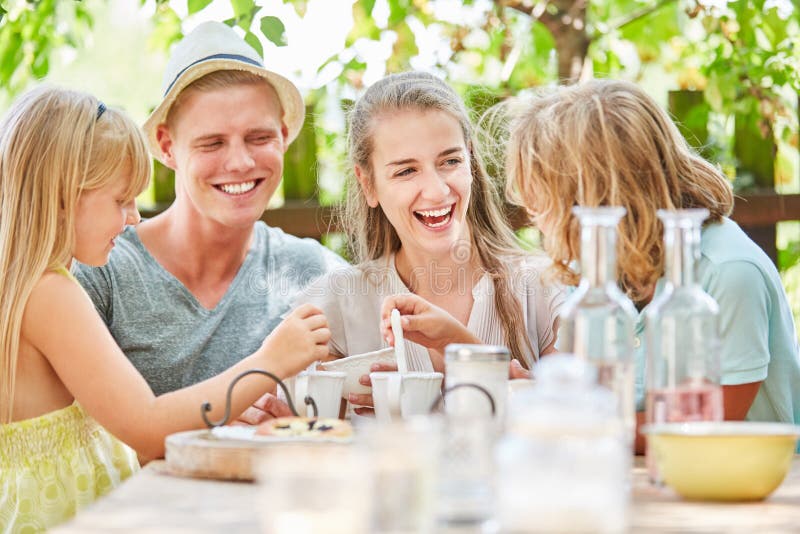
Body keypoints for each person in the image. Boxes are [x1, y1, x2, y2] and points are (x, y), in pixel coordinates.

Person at [0, 86, 330, 532]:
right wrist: (268, 363)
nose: (134, 217)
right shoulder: (50, 294)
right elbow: (149, 427)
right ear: (62, 197)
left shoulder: (30, 284)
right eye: (120, 201)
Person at [504, 78, 800, 453]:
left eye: (541, 201)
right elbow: (583, 388)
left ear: (596, 197)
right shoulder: (593, 272)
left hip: (744, 488)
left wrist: (586, 429)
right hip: (645, 479)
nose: (534, 218)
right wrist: (535, 390)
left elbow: (709, 423)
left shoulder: (728, 271)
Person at [72, 22, 344, 422]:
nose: (239, 162)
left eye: (259, 138)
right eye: (212, 143)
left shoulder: (313, 273)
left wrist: (307, 422)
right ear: (167, 147)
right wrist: (215, 424)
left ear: (284, 136)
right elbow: (79, 445)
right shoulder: (103, 272)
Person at [295, 72, 564, 412]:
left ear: (471, 163)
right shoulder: (334, 307)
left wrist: (453, 378)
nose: (437, 190)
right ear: (368, 185)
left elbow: (578, 422)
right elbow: (299, 435)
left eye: (450, 161)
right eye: (406, 171)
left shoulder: (543, 288)